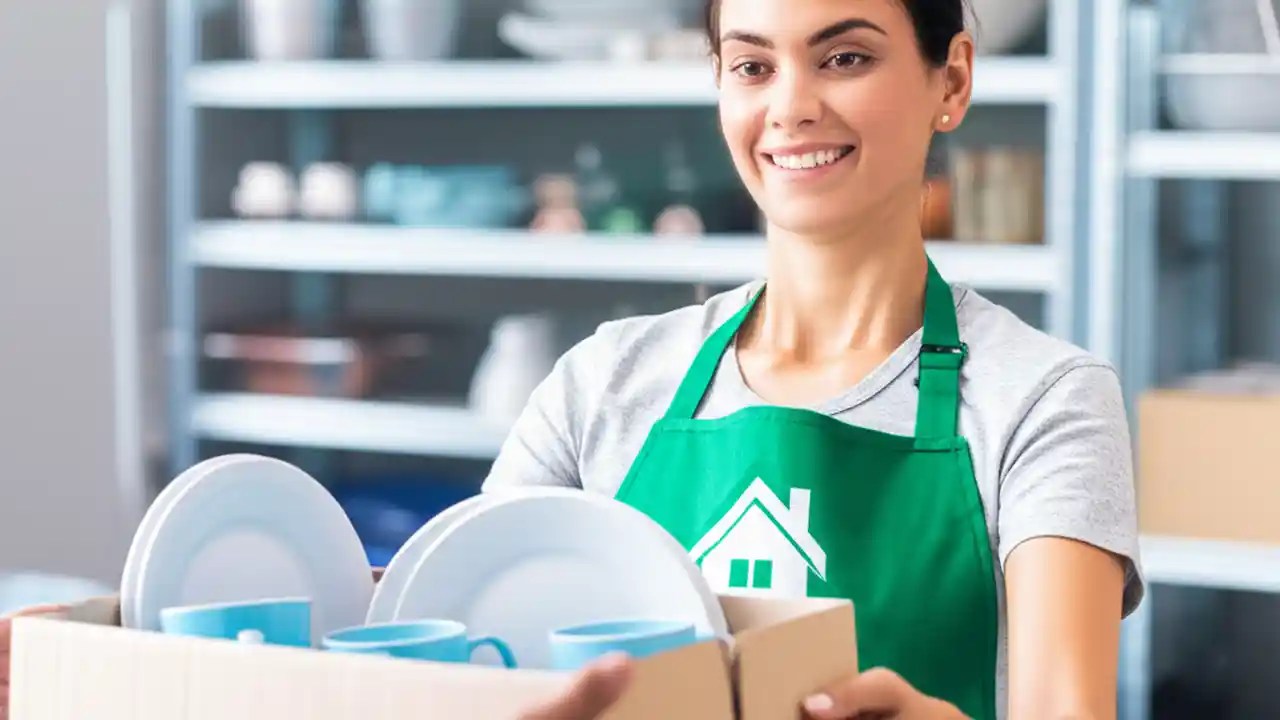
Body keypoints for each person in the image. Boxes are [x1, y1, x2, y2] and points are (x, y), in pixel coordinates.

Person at [0, 1, 1141, 718]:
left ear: (950, 80)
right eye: (749, 66)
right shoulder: (606, 383)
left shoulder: (1039, 398)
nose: (790, 105)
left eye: (842, 55)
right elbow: (434, 665)